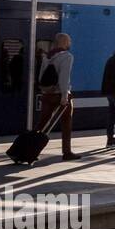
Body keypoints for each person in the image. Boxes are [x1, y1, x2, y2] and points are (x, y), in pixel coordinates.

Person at [36, 33, 78, 161]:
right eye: (69, 41)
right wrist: (65, 95)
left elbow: (40, 77)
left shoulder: (47, 56)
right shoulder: (67, 56)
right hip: (60, 95)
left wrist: (45, 90)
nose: (70, 43)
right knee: (66, 124)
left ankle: (33, 149)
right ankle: (67, 152)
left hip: (47, 94)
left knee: (42, 124)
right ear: (64, 42)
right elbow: (64, 77)